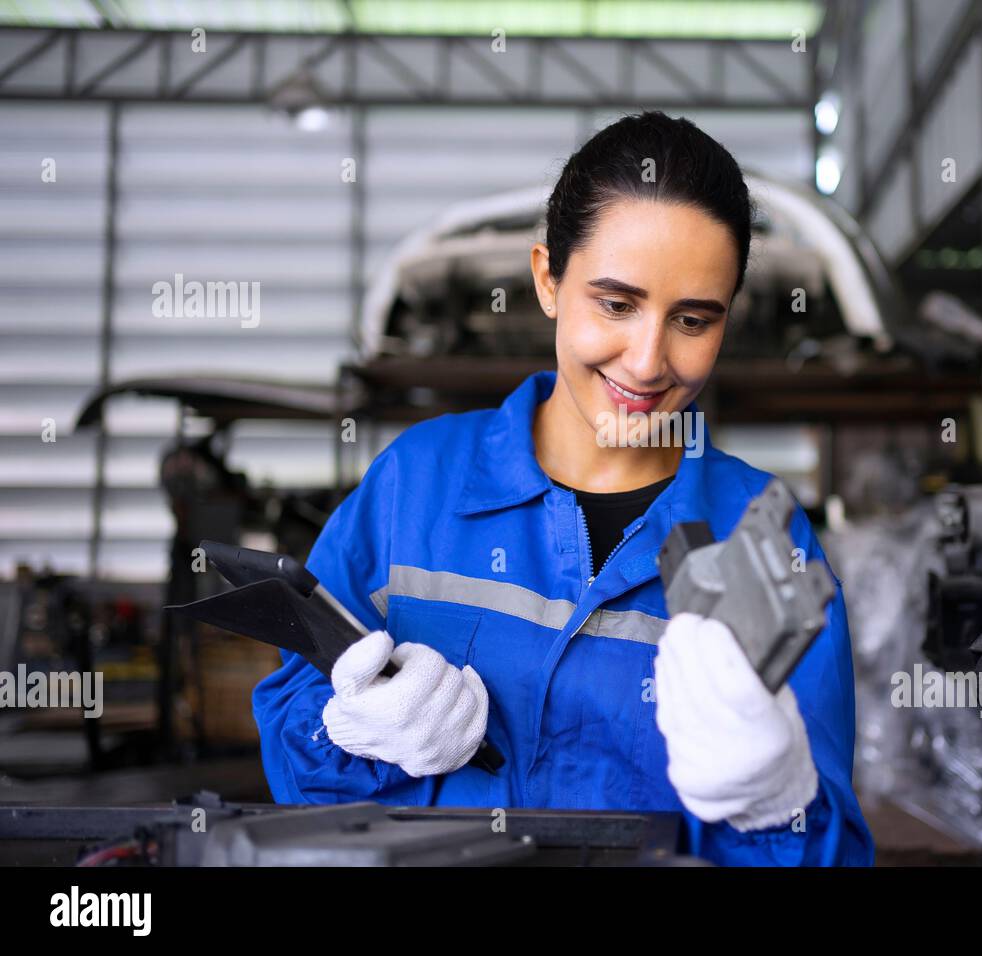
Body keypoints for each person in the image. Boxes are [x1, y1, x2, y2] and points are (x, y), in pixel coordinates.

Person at [252, 110, 874, 866]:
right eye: (615, 304)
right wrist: (346, 727)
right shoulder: (415, 484)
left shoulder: (766, 542)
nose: (647, 361)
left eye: (693, 319)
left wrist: (777, 801)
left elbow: (827, 851)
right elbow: (291, 730)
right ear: (548, 279)